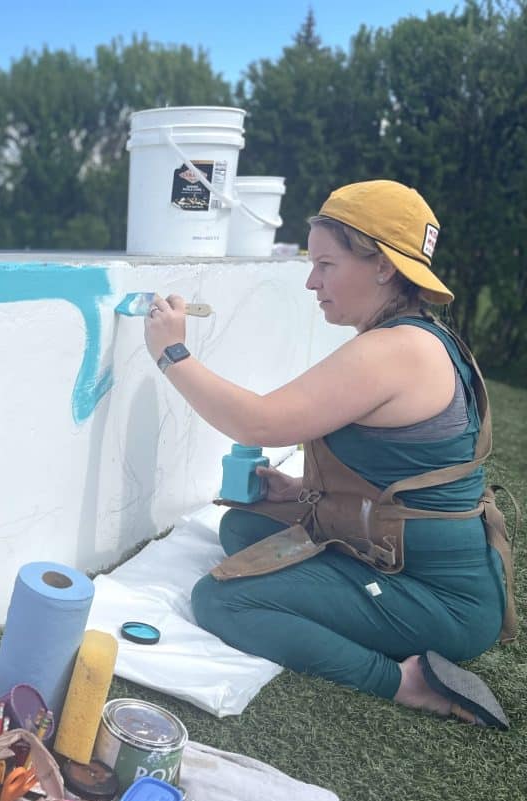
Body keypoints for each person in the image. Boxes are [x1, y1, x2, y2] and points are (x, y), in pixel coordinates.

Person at [143, 179, 518, 729]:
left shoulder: (394, 350)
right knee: (243, 530)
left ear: (384, 266)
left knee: (223, 601)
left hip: (441, 602)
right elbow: (410, 475)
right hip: (409, 560)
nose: (311, 280)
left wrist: (171, 353)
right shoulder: (422, 338)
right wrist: (300, 493)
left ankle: (405, 683)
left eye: (326, 263)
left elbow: (259, 421)